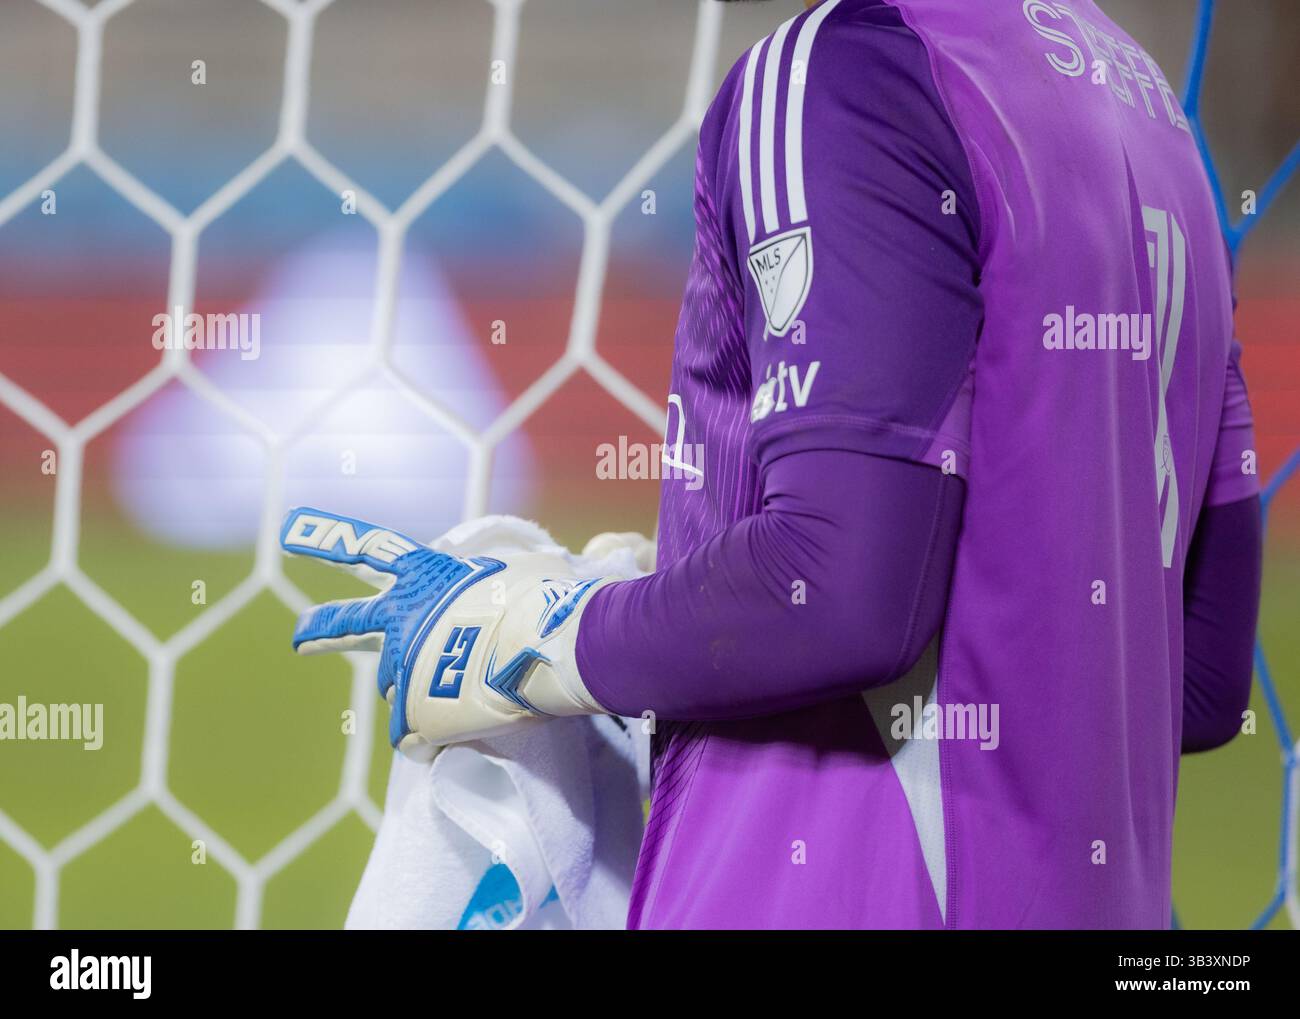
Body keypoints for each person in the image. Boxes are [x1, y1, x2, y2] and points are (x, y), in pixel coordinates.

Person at [282, 0, 1262, 929]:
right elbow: (1199, 679)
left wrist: (530, 636)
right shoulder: (1155, 123)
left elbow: (832, 589)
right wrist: (679, 613)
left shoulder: (846, 64)